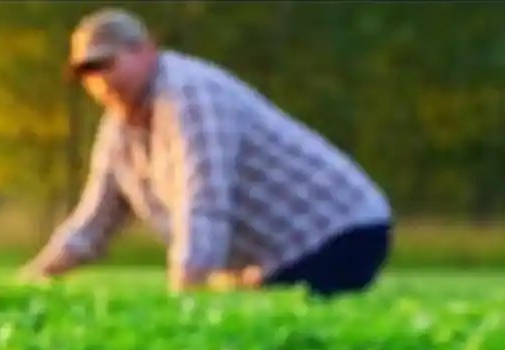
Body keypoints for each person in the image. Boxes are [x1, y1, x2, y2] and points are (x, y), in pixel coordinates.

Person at [19, 8, 394, 296]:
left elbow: (205, 203)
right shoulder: (120, 127)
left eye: (106, 64)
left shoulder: (189, 94)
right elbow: (92, 224)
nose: (98, 81)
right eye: (86, 72)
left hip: (342, 233)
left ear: (145, 50)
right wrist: (30, 282)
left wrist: (184, 293)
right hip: (276, 260)